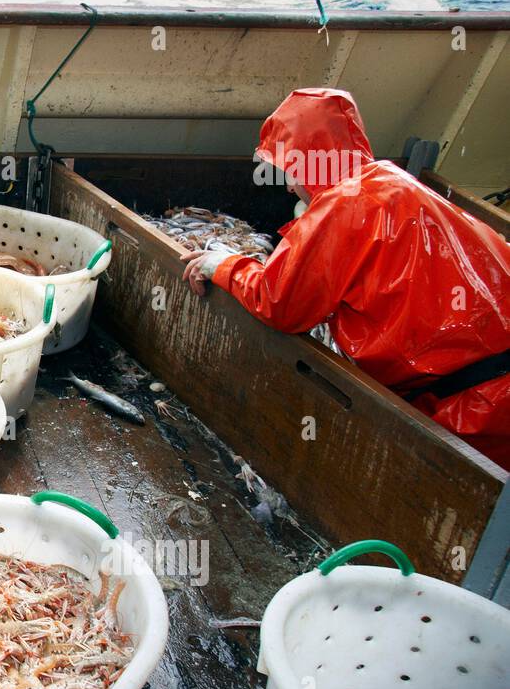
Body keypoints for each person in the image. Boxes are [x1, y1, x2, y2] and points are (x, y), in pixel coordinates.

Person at [181, 87, 510, 470]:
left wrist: (222, 265)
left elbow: (279, 303)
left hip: (477, 409)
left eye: (288, 171)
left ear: (308, 164)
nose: (287, 186)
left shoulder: (342, 206)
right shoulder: (393, 179)